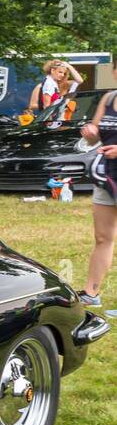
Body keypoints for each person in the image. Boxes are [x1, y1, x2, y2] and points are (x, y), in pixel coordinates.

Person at [78, 89, 117, 308]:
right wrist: (91, 134)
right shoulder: (109, 98)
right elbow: (96, 135)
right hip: (107, 174)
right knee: (103, 237)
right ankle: (91, 294)